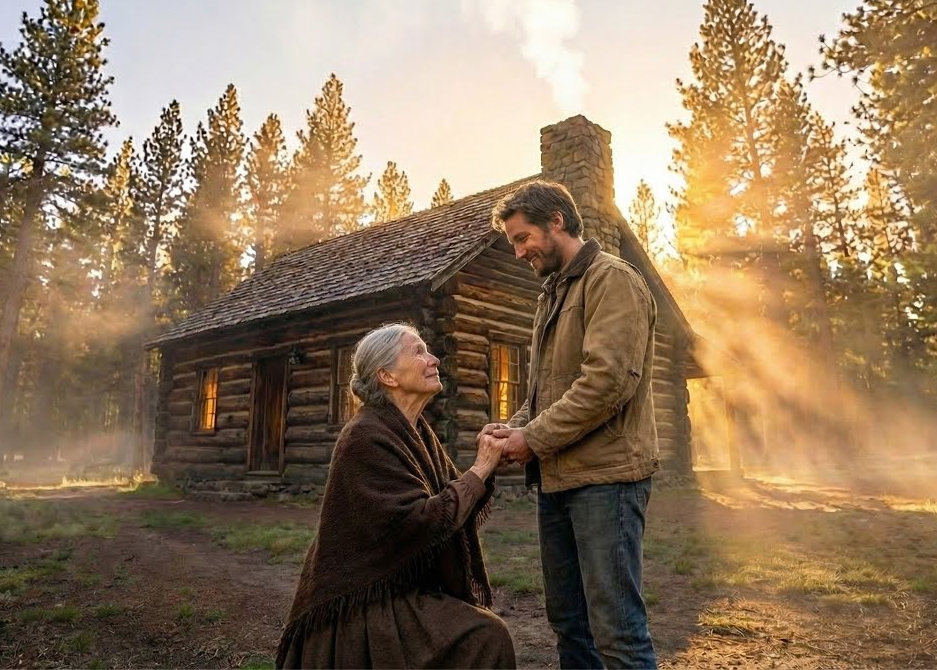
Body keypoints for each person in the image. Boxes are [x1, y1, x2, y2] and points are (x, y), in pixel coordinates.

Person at [485, 180, 659, 669]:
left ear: (556, 221)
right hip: (558, 480)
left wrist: (532, 438)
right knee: (568, 623)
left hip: (607, 481)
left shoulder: (613, 280)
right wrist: (511, 430)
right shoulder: (552, 295)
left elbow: (607, 382)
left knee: (618, 630)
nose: (519, 252)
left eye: (522, 239)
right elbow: (546, 391)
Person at [277, 323, 516, 669]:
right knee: (486, 636)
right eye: (418, 351)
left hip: (398, 583)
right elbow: (418, 524)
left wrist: (488, 462)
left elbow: (452, 506)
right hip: (365, 599)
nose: (434, 359)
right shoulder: (364, 437)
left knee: (483, 633)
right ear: (387, 375)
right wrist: (478, 471)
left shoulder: (417, 431)